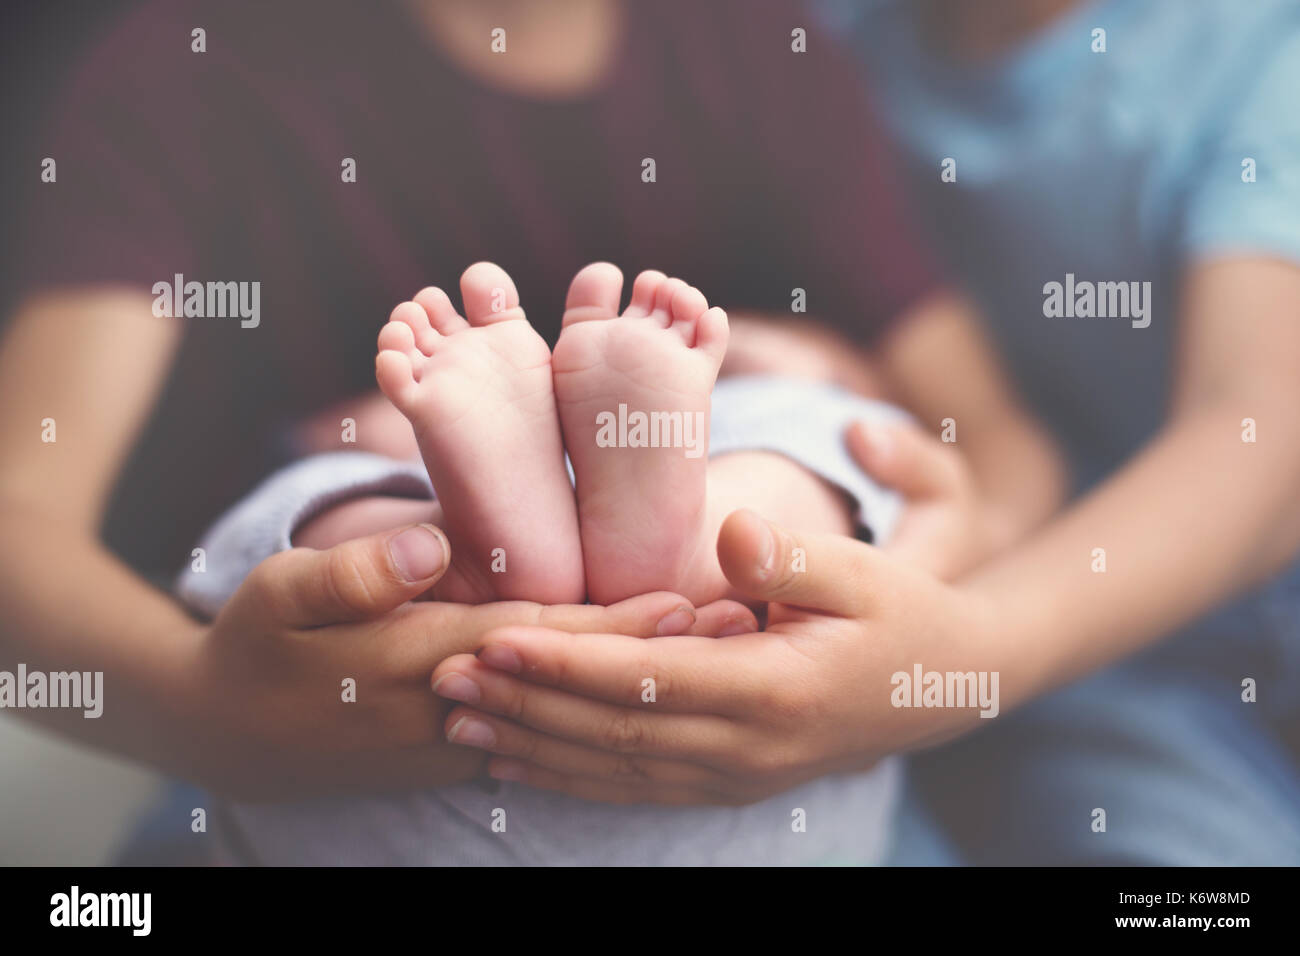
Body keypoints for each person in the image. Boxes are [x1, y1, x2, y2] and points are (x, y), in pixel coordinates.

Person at [0, 0, 1061, 863]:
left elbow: (1000, 454)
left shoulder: (758, 51)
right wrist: (205, 705)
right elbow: (995, 457)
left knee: (352, 504)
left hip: (414, 758)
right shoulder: (187, 68)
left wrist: (933, 579)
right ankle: (682, 543)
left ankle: (507, 554)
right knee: (802, 458)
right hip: (368, 726)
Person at [436, 0, 1300, 865]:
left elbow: (1259, 438)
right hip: (852, 586)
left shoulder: (1259, 63)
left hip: (1144, 645)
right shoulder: (822, 29)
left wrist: (965, 644)